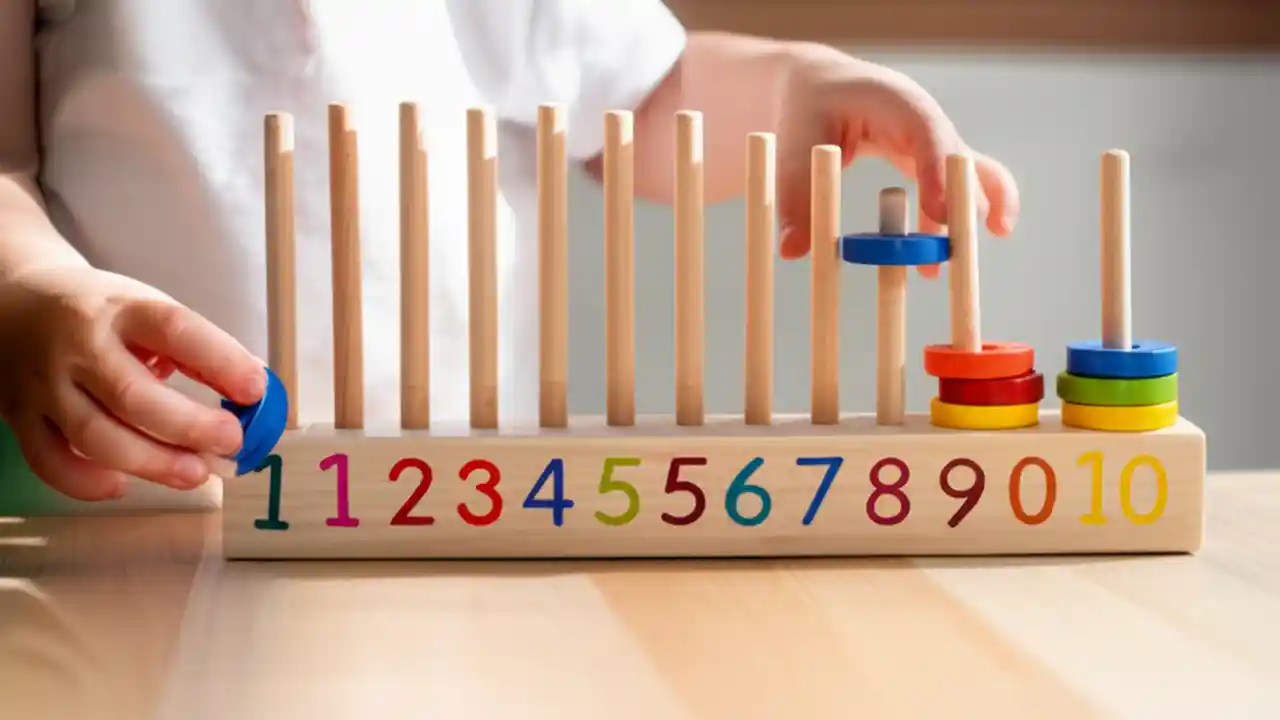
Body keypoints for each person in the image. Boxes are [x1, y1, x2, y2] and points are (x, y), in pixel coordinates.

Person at [0, 0, 1018, 502]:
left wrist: (794, 87)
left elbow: (648, 97)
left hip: (466, 508)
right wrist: (28, 280)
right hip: (133, 525)